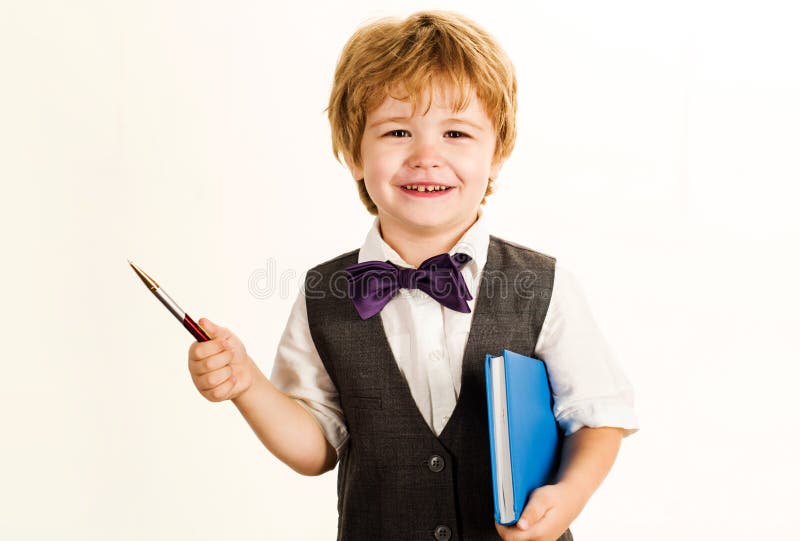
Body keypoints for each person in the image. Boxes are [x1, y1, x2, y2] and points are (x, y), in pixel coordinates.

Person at [187, 10, 639, 541]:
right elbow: (315, 450)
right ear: (354, 153)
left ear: (498, 154)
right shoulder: (322, 296)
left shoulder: (544, 284)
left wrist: (569, 495)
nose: (427, 156)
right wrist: (247, 386)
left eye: (456, 133)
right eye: (398, 131)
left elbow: (597, 417)